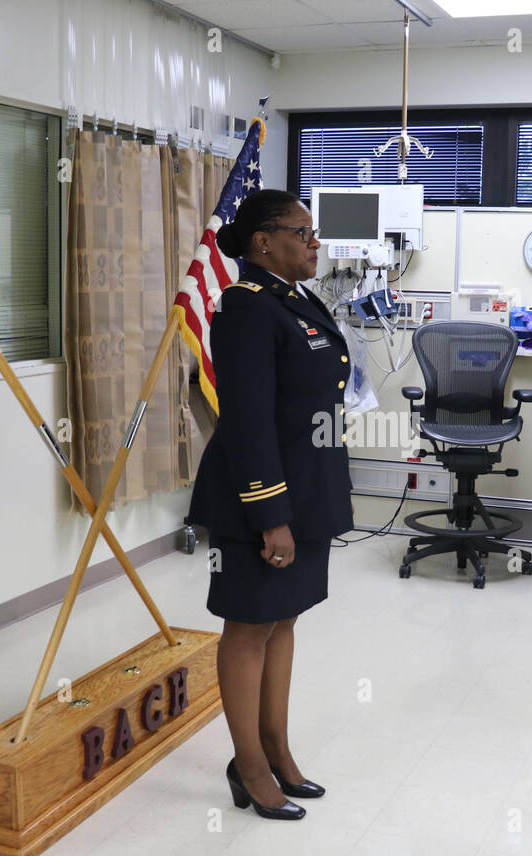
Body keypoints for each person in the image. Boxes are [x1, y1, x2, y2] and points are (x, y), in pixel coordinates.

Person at [186, 189, 353, 820]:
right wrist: (271, 516)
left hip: (307, 490)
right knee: (250, 626)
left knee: (284, 620)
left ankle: (276, 749)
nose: (315, 242)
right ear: (263, 240)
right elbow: (249, 421)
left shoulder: (297, 300)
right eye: (302, 231)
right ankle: (248, 765)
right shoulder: (246, 307)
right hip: (261, 498)